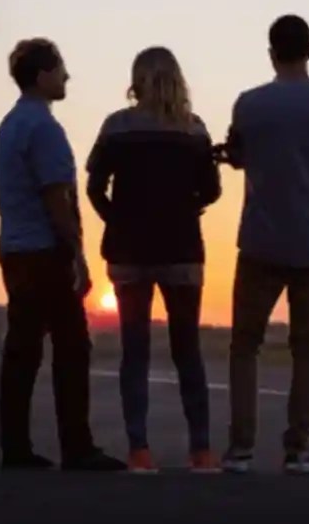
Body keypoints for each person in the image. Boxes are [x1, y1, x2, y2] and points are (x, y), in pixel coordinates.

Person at [214, 15, 309, 476]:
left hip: (262, 240)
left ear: (271, 53)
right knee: (307, 349)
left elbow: (238, 155)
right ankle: (298, 449)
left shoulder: (249, 105)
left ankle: (241, 449)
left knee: (245, 346)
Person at [86, 46, 223, 474]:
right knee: (187, 350)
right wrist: (188, 208)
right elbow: (213, 190)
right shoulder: (194, 129)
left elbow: (94, 186)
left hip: (129, 252)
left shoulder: (116, 127)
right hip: (182, 250)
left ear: (136, 81)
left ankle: (139, 450)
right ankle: (201, 450)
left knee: (135, 351)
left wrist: (117, 219)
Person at [0, 37, 126, 472]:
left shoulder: (9, 126)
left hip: (15, 249)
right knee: (72, 347)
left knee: (22, 350)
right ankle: (77, 445)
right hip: (45, 251)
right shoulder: (44, 129)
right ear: (42, 75)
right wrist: (76, 253)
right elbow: (57, 197)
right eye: (60, 68)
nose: (67, 76)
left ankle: (15, 445)